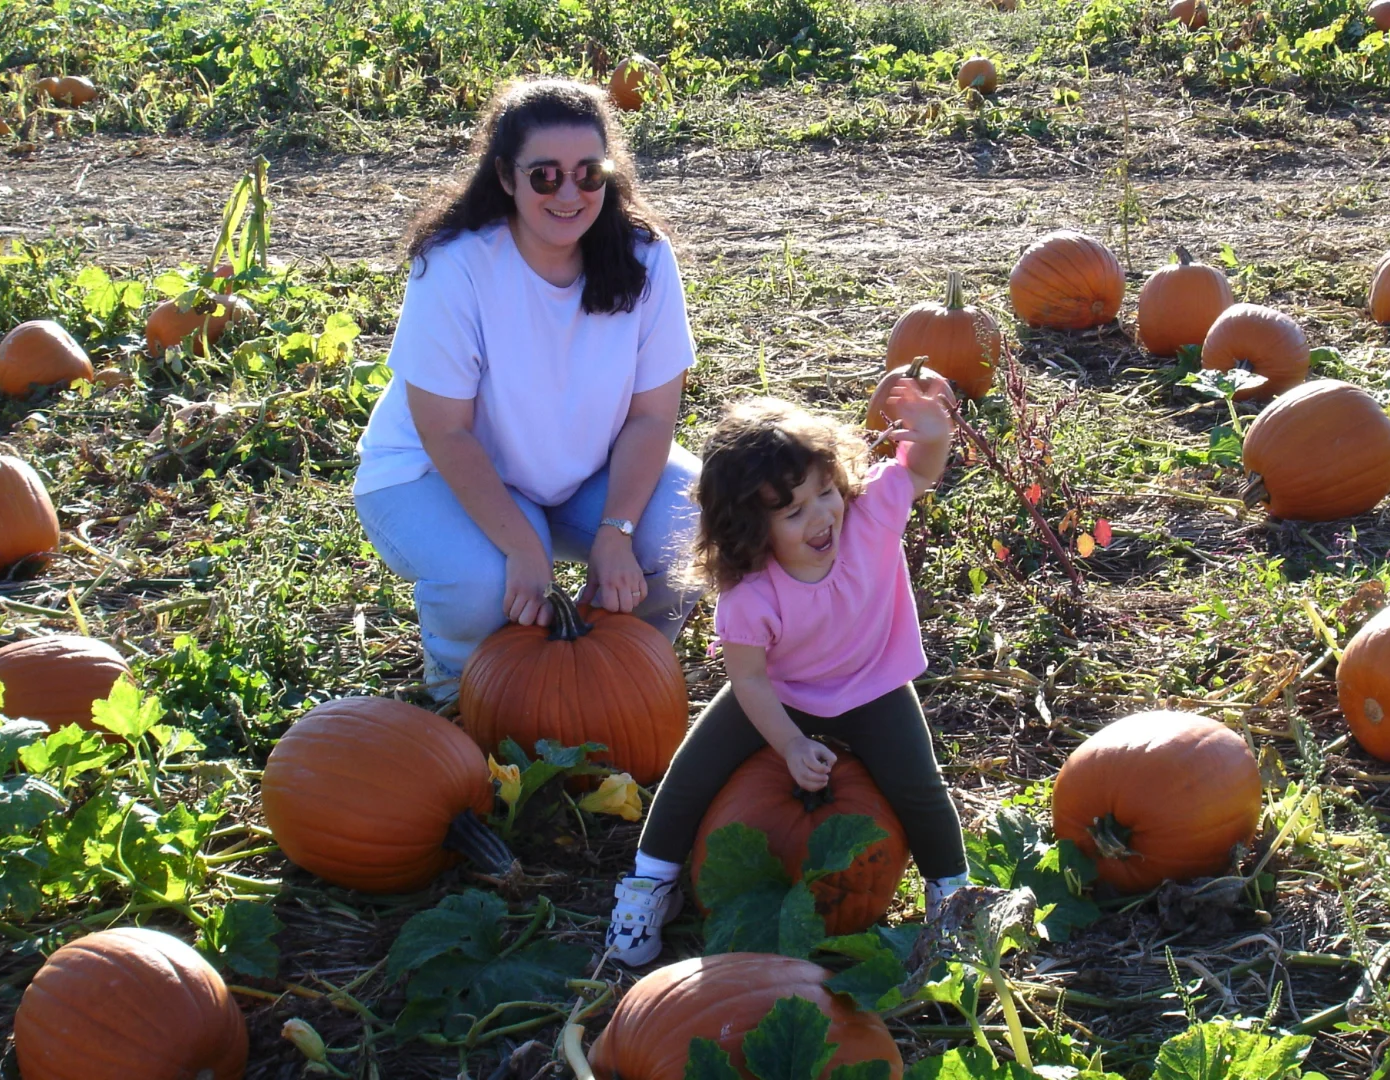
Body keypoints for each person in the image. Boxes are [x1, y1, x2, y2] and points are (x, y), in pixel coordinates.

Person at [353, 78, 701, 703]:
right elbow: (444, 430)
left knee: (687, 521)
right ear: (507, 178)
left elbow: (652, 417)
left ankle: (625, 679)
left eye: (589, 173)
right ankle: (460, 696)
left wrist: (616, 531)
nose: (569, 192)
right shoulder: (456, 265)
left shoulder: (645, 258)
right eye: (545, 175)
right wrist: (522, 546)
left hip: (581, 475)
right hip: (431, 471)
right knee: (486, 581)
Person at [604, 385, 972, 966]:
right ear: (751, 529)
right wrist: (791, 742)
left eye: (826, 492)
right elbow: (748, 680)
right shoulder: (750, 594)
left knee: (918, 787)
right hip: (783, 692)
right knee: (691, 772)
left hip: (873, 682)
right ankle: (650, 882)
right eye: (794, 511)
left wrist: (932, 433)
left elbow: (918, 472)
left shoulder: (869, 517)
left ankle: (952, 896)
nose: (821, 515)